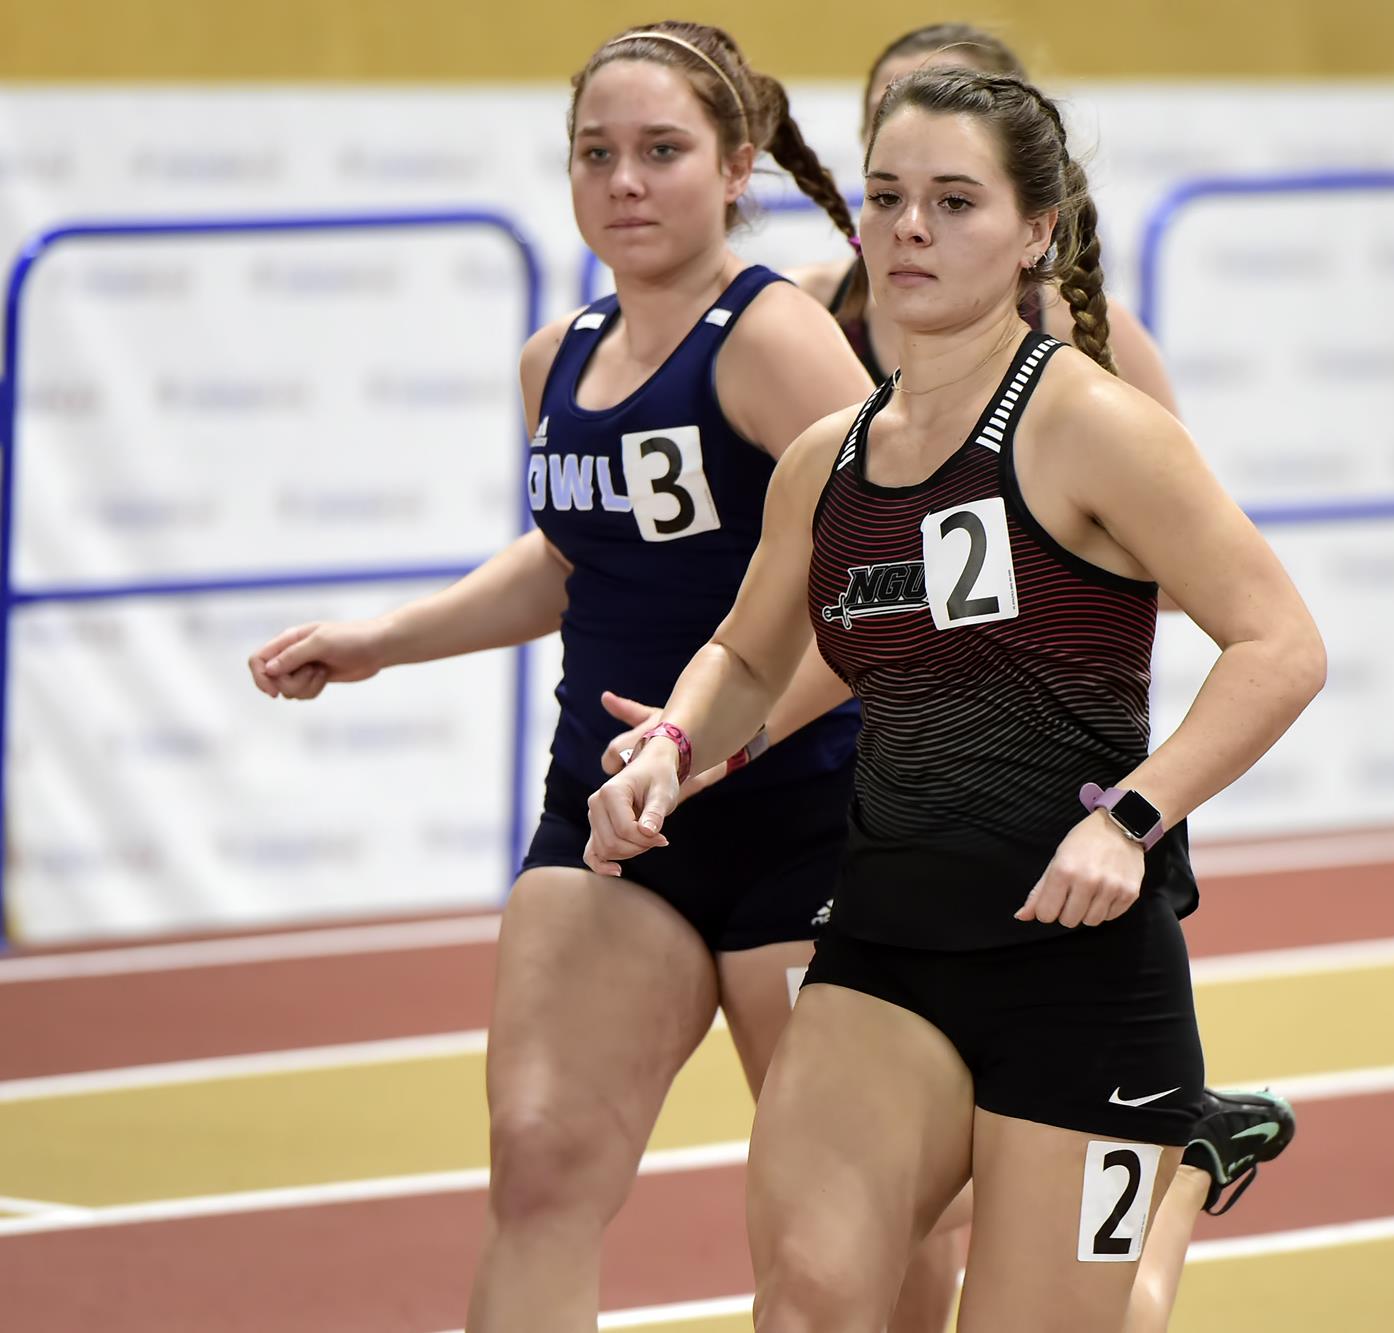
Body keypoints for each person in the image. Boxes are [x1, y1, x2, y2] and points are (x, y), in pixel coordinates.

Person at [584, 65, 1325, 1332]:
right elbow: (750, 655)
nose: (910, 227)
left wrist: (1129, 820)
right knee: (808, 1305)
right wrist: (664, 742)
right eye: (885, 197)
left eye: (952, 200)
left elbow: (1278, 644)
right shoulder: (826, 462)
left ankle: (1182, 1173)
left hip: (1079, 974)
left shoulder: (1093, 425)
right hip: (883, 948)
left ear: (1035, 228)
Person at [244, 21, 955, 1331]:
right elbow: (574, 562)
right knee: (540, 1160)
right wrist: (384, 641)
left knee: (848, 1232)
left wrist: (705, 743)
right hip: (610, 819)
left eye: (662, 151)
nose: (625, 181)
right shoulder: (555, 359)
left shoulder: (776, 338)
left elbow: (883, 587)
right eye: (597, 153)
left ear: (736, 167)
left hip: (809, 825)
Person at [785, 23, 1178, 410]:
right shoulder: (797, 313)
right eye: (891, 106)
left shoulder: (1083, 338)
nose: (922, 121)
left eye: (955, 201)